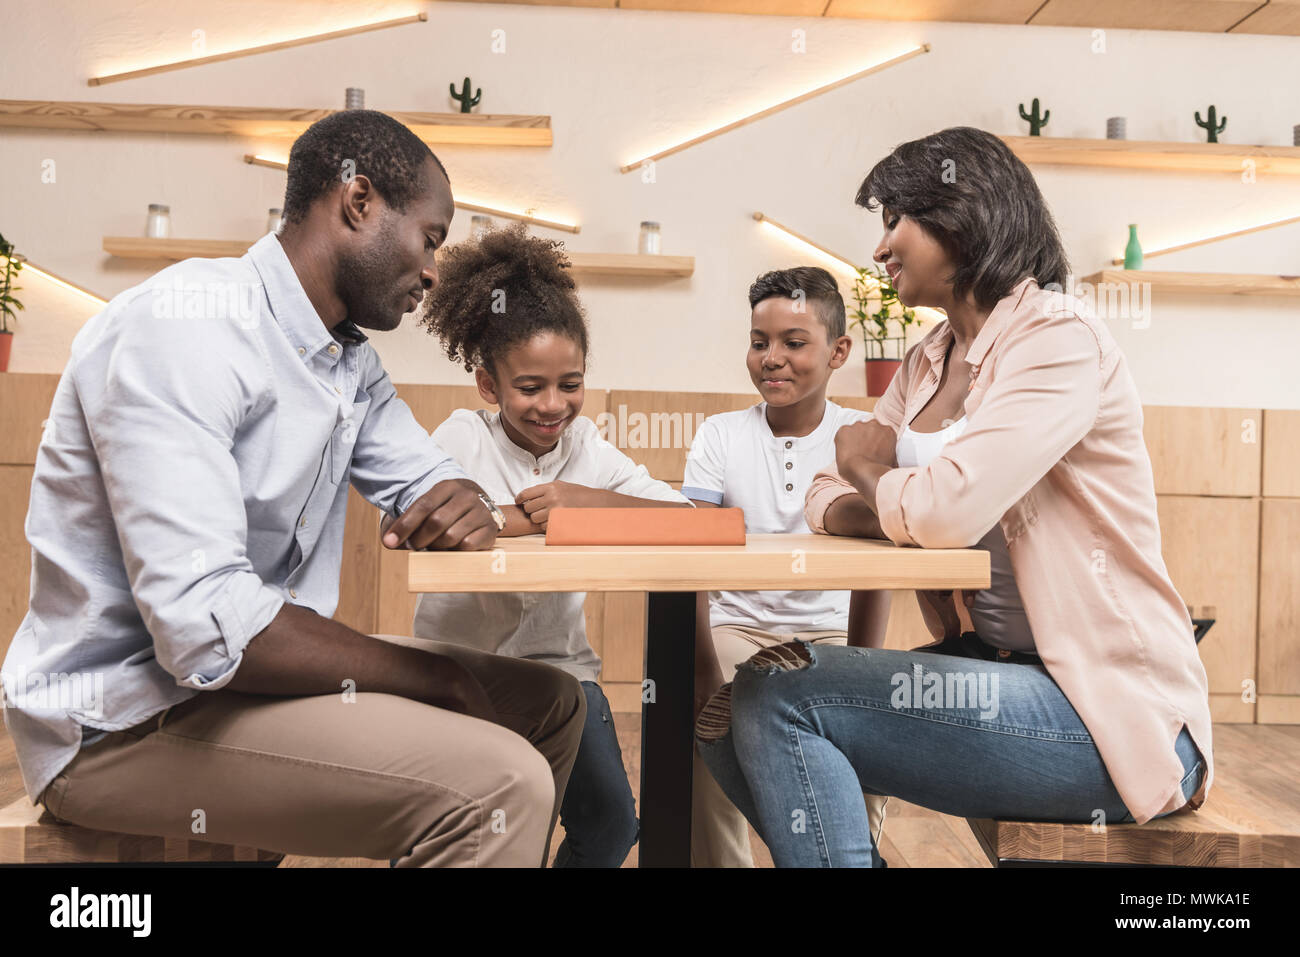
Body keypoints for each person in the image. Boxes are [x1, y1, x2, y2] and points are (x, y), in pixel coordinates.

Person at [0, 110, 585, 868]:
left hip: (238, 686)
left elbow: (431, 477)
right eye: (430, 238)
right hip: (127, 718)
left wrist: (455, 495)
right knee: (503, 785)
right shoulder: (186, 329)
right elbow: (208, 631)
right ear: (359, 202)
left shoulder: (346, 361)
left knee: (551, 703)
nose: (435, 272)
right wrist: (432, 676)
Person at [694, 127, 1212, 867]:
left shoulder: (1057, 340)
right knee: (720, 715)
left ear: (961, 213)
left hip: (1099, 708)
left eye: (895, 219)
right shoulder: (929, 357)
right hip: (992, 668)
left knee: (783, 695)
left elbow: (941, 509)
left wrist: (879, 479)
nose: (880, 248)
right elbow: (825, 486)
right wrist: (885, 493)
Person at [410, 224, 693, 867]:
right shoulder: (461, 437)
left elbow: (682, 515)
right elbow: (422, 517)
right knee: (492, 828)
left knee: (614, 824)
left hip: (566, 671)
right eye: (530, 387)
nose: (553, 404)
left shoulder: (588, 448)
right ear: (488, 385)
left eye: (570, 383)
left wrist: (586, 501)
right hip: (462, 670)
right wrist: (531, 517)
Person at [683, 266, 892, 867]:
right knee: (703, 725)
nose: (772, 358)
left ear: (838, 352)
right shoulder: (720, 435)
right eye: (759, 342)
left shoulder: (862, 436)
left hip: (830, 633)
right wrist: (701, 674)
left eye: (794, 343)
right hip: (737, 627)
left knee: (869, 743)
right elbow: (689, 554)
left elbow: (874, 564)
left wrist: (864, 662)